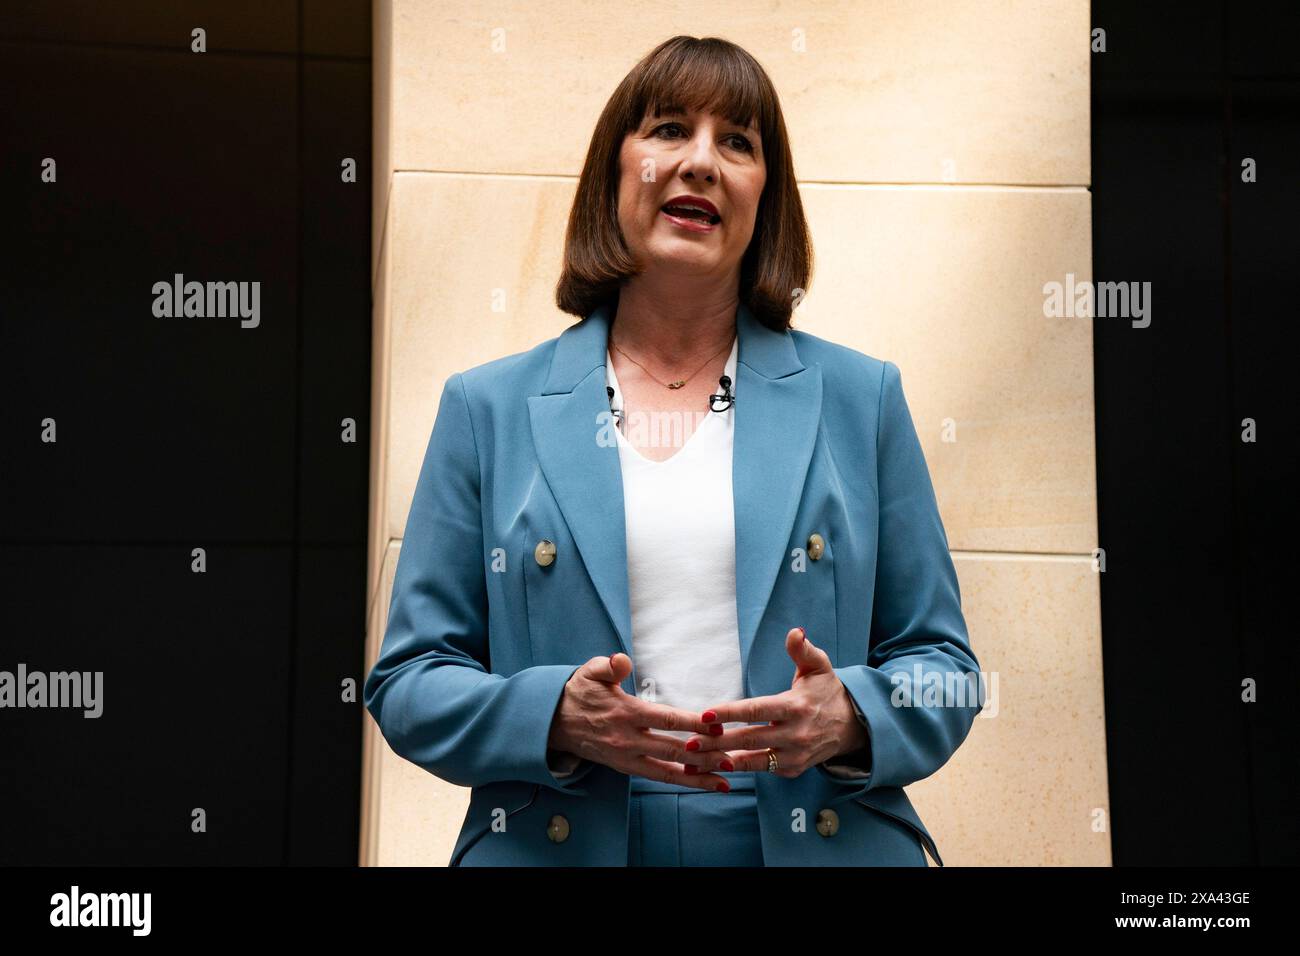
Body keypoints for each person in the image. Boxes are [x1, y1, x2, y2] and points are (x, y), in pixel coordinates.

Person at [364, 35, 982, 867]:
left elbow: (946, 667)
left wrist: (853, 714)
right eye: (667, 130)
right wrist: (553, 715)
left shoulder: (860, 398)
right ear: (615, 171)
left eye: (738, 141)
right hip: (565, 844)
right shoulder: (488, 408)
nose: (701, 162)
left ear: (766, 195)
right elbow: (408, 682)